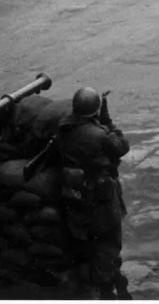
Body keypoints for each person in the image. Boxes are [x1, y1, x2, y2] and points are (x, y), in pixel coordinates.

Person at [56, 87, 132, 299]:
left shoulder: (63, 129)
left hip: (74, 193)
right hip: (100, 196)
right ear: (95, 111)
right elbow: (122, 147)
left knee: (83, 238)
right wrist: (107, 121)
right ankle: (105, 286)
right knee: (108, 238)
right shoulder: (99, 135)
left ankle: (87, 280)